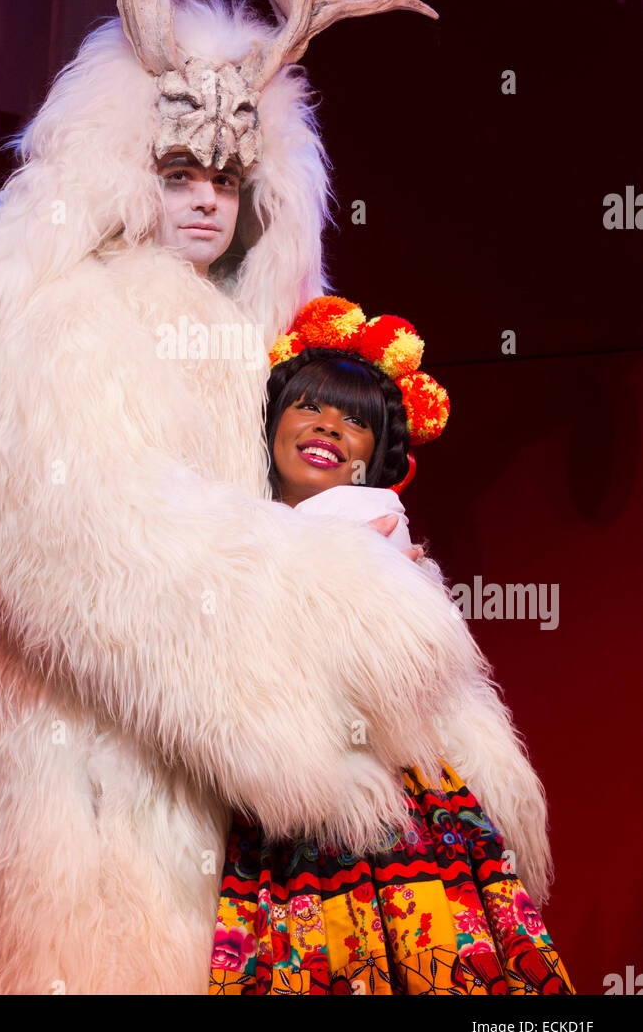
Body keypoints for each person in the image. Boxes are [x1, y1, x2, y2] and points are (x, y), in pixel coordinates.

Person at [0, 0, 555, 994]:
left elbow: (298, 528)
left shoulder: (257, 341)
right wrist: (337, 630)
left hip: (238, 834)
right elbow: (76, 544)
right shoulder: (69, 307)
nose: (205, 200)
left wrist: (441, 733)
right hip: (94, 778)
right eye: (179, 169)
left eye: (230, 177)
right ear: (125, 165)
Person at [210, 297, 575, 995]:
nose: (328, 426)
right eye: (309, 407)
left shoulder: (364, 527)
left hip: (375, 807)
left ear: (376, 456)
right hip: (290, 801)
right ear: (271, 423)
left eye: (354, 421)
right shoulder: (259, 532)